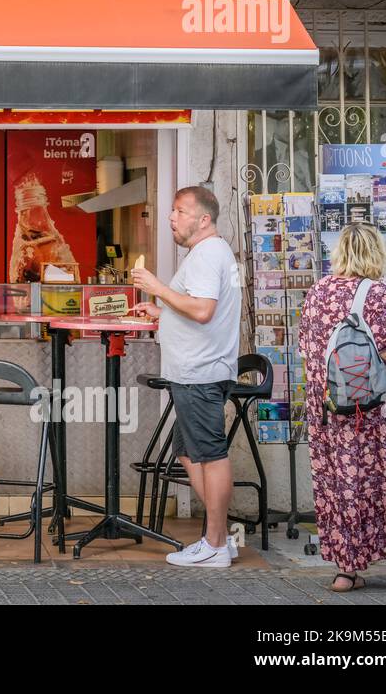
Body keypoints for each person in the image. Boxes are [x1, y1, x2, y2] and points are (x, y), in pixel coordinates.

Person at [299, 223, 386, 592]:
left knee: (342, 483)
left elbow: (308, 350)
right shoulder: (376, 293)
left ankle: (346, 570)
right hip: (377, 411)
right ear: (375, 252)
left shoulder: (317, 292)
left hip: (329, 411)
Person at [131, 185, 241, 568]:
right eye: (172, 211)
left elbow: (203, 310)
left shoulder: (209, 254)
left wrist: (157, 287)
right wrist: (162, 312)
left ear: (203, 219)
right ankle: (220, 537)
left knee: (211, 455)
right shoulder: (210, 253)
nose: (172, 218)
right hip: (196, 370)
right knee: (185, 450)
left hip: (200, 372)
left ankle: (214, 543)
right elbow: (196, 309)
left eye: (179, 211)